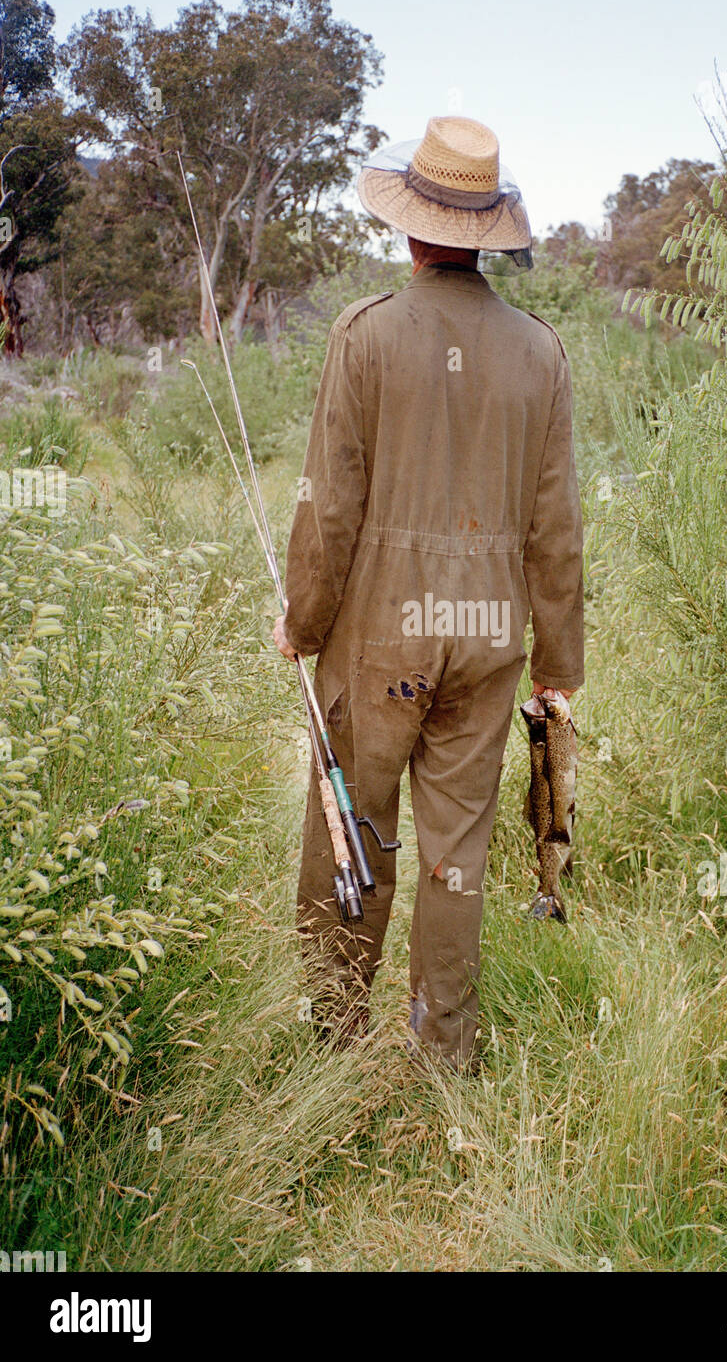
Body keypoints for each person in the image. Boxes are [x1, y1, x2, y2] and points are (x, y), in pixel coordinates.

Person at [273, 116, 584, 1070]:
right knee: (458, 857)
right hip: (488, 639)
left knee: (350, 834)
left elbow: (331, 509)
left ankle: (330, 1043)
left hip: (379, 638)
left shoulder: (366, 336)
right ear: (487, 232)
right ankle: (443, 1058)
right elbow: (556, 529)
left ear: (410, 230)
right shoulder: (540, 353)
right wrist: (558, 668)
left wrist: (301, 622)